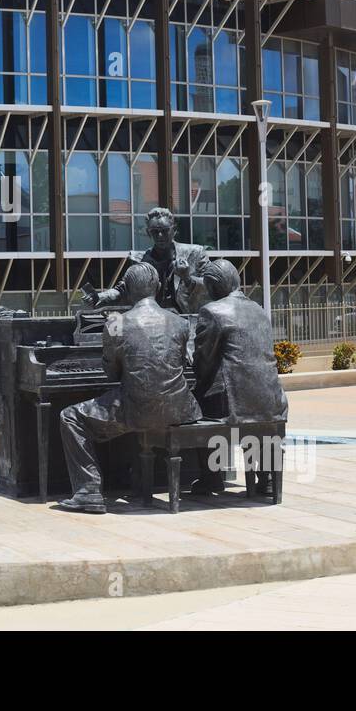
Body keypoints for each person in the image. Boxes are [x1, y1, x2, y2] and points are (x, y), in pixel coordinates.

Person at [57, 262, 201, 513]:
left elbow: (111, 372)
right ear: (157, 287)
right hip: (181, 408)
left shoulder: (116, 322)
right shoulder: (179, 322)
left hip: (137, 409)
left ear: (128, 291)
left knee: (69, 417)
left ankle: (89, 490)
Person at [190, 259, 289, 494]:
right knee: (243, 404)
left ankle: (211, 477)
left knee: (193, 404)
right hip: (271, 399)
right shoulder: (259, 310)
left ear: (213, 287)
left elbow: (203, 362)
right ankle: (265, 479)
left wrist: (196, 376)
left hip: (234, 404)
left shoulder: (212, 311)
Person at [81, 207, 208, 314]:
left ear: (174, 230)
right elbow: (123, 289)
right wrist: (99, 297)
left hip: (187, 319)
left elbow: (213, 287)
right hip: (152, 319)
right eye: (154, 232)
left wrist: (187, 278)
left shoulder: (195, 253)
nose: (159, 236)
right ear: (148, 233)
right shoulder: (140, 261)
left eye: (164, 231)